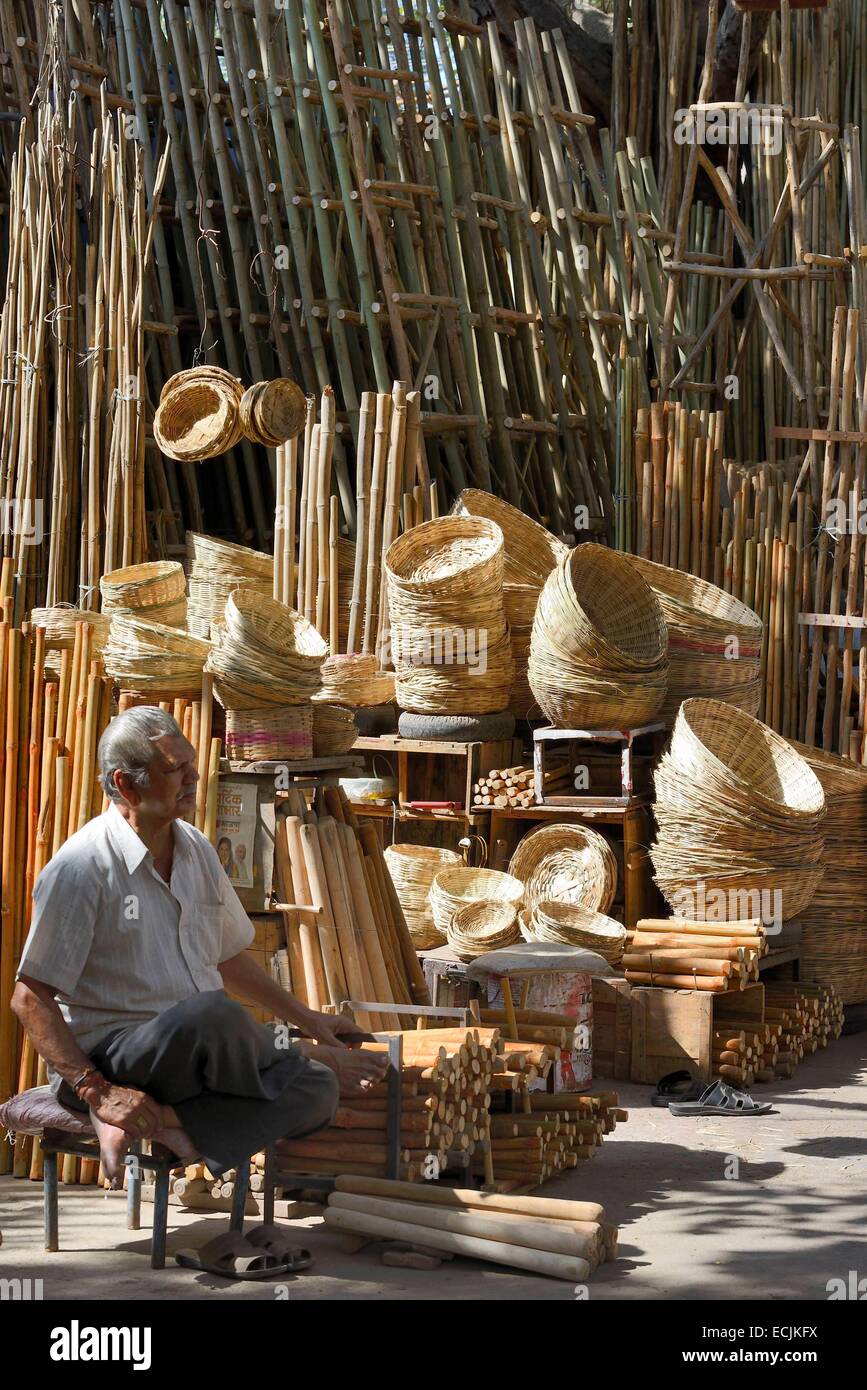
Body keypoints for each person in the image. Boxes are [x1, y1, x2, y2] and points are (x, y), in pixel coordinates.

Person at [11, 707, 387, 1183]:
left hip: (195, 1061)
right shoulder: (82, 868)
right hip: (116, 1057)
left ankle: (172, 1121)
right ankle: (116, 1109)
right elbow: (29, 997)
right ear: (126, 785)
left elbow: (227, 956)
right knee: (214, 1015)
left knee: (318, 1091)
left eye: (191, 763)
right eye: (175, 770)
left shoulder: (195, 850)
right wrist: (97, 1091)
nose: (193, 777)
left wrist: (309, 1020)